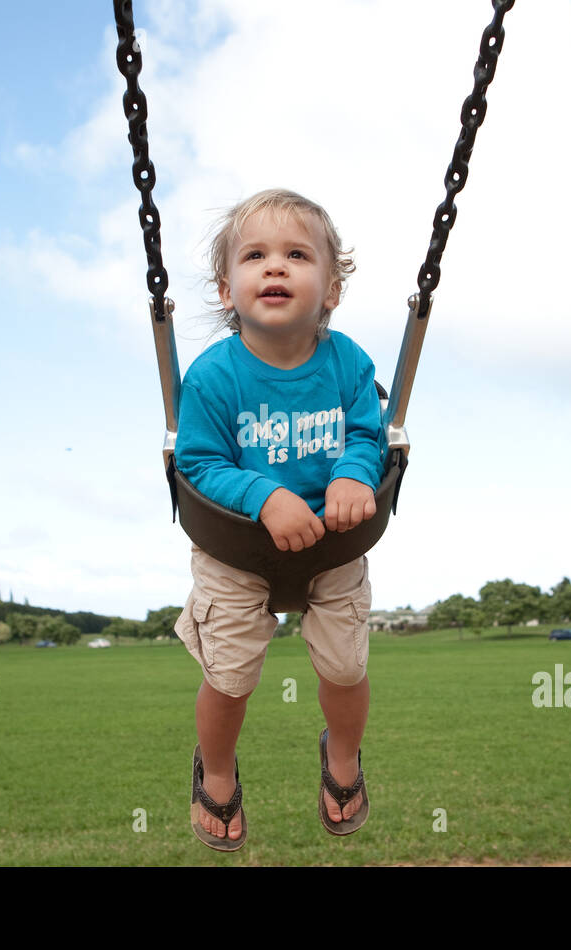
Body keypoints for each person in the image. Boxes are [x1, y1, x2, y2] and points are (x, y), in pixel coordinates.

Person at [172, 188, 386, 850]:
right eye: (255, 255)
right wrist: (266, 495)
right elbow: (200, 464)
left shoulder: (348, 361)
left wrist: (354, 472)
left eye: (297, 255)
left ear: (330, 290)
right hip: (236, 553)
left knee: (346, 670)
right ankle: (217, 767)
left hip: (333, 547)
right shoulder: (212, 378)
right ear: (226, 288)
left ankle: (343, 759)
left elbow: (369, 436)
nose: (275, 267)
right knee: (229, 677)